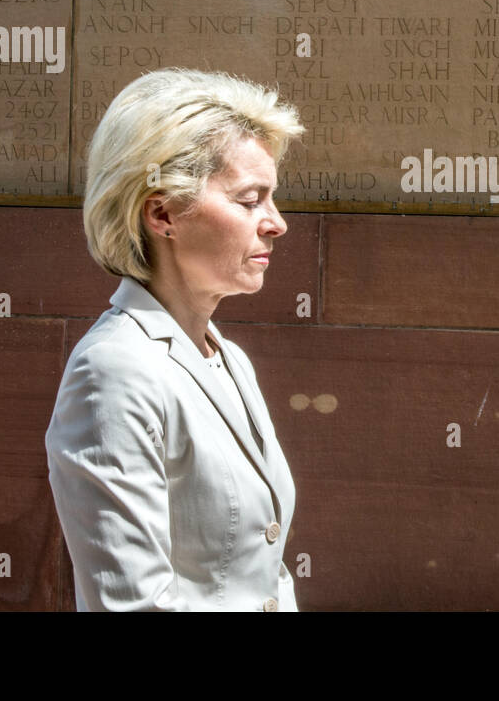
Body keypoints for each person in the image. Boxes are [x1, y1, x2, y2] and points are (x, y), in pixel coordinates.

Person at [45, 67, 305, 610]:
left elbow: (263, 573)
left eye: (271, 198)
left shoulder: (228, 358)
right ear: (162, 212)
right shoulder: (115, 371)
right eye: (249, 199)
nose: (276, 223)